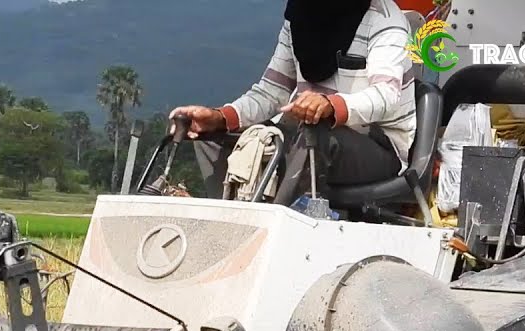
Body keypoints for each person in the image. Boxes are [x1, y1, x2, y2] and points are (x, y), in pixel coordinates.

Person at [170, 0, 417, 201]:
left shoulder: (385, 20)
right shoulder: (300, 17)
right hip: (305, 132)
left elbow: (386, 96)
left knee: (315, 135)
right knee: (209, 137)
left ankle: (273, 224)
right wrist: (221, 117)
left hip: (376, 145)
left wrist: (332, 106)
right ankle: (227, 217)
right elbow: (272, 91)